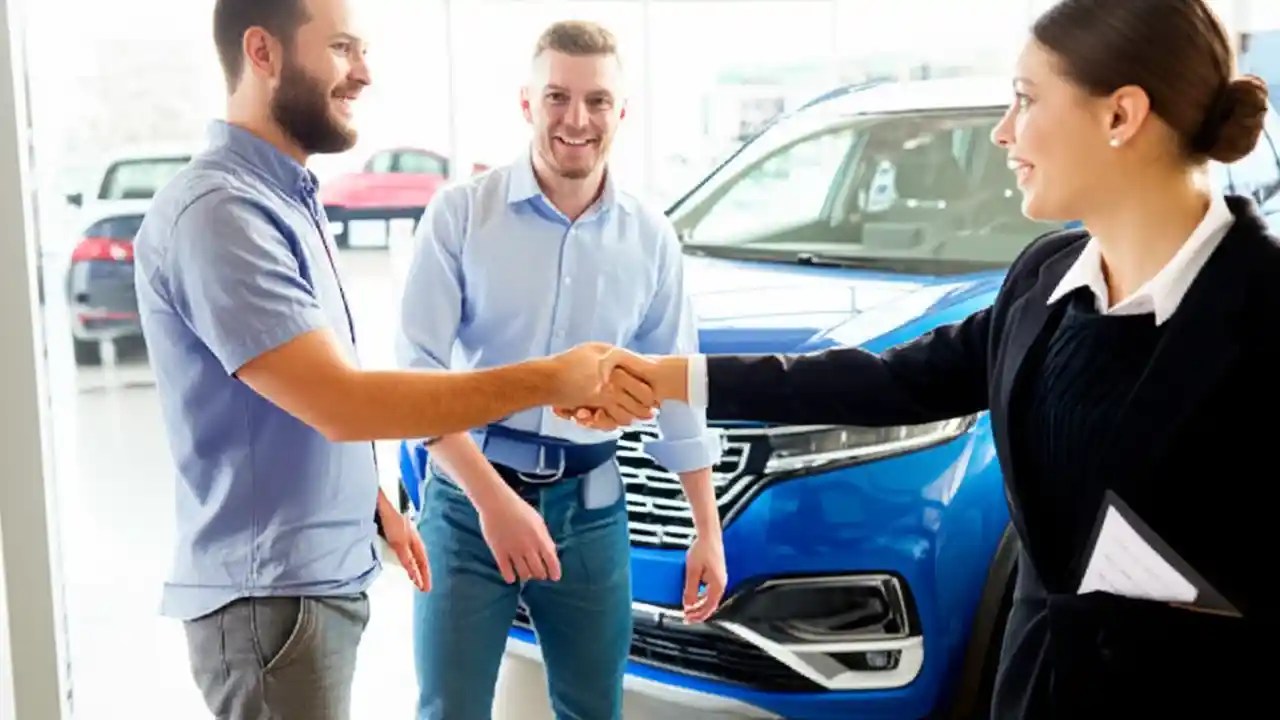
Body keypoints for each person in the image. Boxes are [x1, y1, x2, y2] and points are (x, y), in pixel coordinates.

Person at [569, 0, 1275, 716]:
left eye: (1026, 100)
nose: (1006, 132)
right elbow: (889, 380)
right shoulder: (1045, 278)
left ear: (1120, 116)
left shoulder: (1263, 310)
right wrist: (672, 380)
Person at [133, 1, 642, 718]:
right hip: (271, 599)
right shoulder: (225, 212)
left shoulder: (283, 199)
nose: (365, 73)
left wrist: (366, 503)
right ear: (263, 52)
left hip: (305, 587)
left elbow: (284, 399)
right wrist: (553, 377)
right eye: (343, 48)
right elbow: (342, 403)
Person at [396, 20, 727, 720]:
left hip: (594, 506)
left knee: (592, 710)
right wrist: (495, 504)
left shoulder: (650, 236)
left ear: (621, 113)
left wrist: (708, 528)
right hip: (466, 503)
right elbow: (416, 380)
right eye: (557, 97)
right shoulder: (460, 216)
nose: (577, 119)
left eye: (597, 101)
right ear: (526, 103)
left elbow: (676, 392)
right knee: (447, 710)